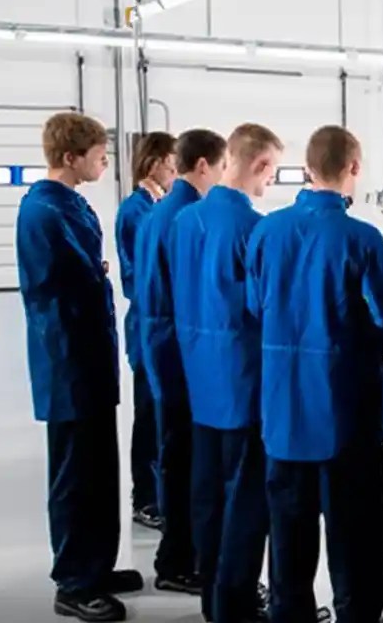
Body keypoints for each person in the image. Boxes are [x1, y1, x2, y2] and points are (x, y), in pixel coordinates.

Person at [246, 125, 383, 623]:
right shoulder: (363, 239)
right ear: (353, 168)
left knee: (288, 529)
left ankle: (289, 612)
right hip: (346, 411)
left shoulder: (266, 232)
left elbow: (255, 306)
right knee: (354, 531)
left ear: (307, 169)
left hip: (284, 408)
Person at [17, 113, 143, 622]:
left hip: (87, 358)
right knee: (74, 473)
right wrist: (98, 275)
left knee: (97, 467)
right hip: (68, 360)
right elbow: (70, 282)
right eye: (97, 155)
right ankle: (72, 582)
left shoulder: (67, 204)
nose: (104, 162)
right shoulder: (45, 211)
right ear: (71, 158)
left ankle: (94, 565)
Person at [171, 124, 282, 623]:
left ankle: (212, 597)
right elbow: (265, 308)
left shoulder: (182, 223)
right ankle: (235, 603)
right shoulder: (254, 230)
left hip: (200, 380)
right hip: (244, 383)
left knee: (208, 495)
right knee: (245, 501)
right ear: (258, 165)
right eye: (272, 172)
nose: (269, 184)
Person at [136, 129, 229, 595]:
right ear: (205, 165)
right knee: (187, 457)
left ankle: (177, 555)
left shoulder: (158, 212)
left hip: (159, 342)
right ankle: (180, 560)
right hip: (180, 348)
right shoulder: (188, 217)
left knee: (175, 451)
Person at [114, 131, 177, 532]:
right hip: (148, 326)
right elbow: (140, 277)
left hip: (164, 327)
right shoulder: (136, 210)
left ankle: (163, 493)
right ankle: (146, 498)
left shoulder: (159, 206)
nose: (175, 172)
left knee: (164, 416)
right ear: (153, 164)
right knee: (149, 415)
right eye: (171, 164)